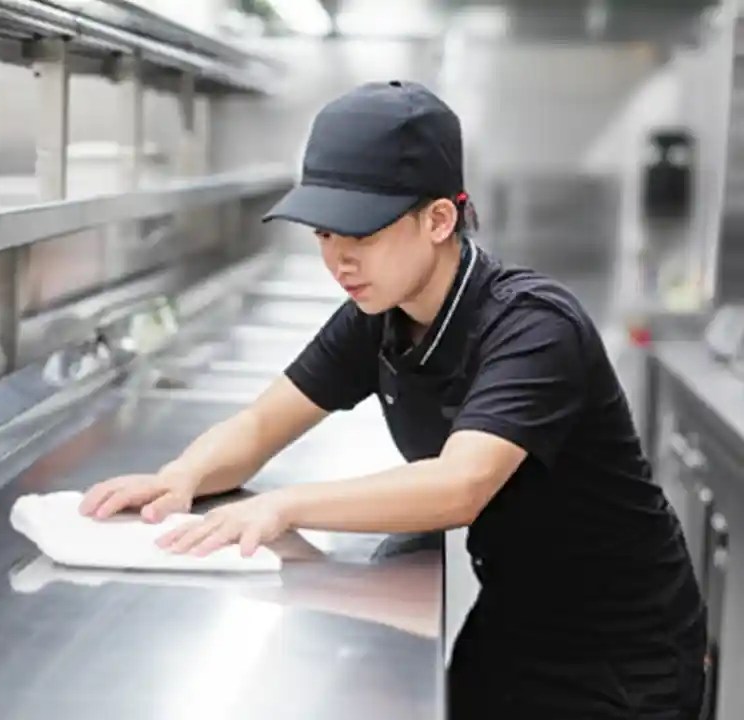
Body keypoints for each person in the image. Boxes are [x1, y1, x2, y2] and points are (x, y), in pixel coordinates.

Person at [78, 80, 708, 719]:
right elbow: (262, 423)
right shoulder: (379, 312)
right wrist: (179, 479)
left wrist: (282, 506)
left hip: (624, 658)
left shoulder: (535, 326)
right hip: (511, 623)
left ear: (438, 219)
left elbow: (458, 488)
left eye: (361, 233)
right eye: (324, 233)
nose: (339, 259)